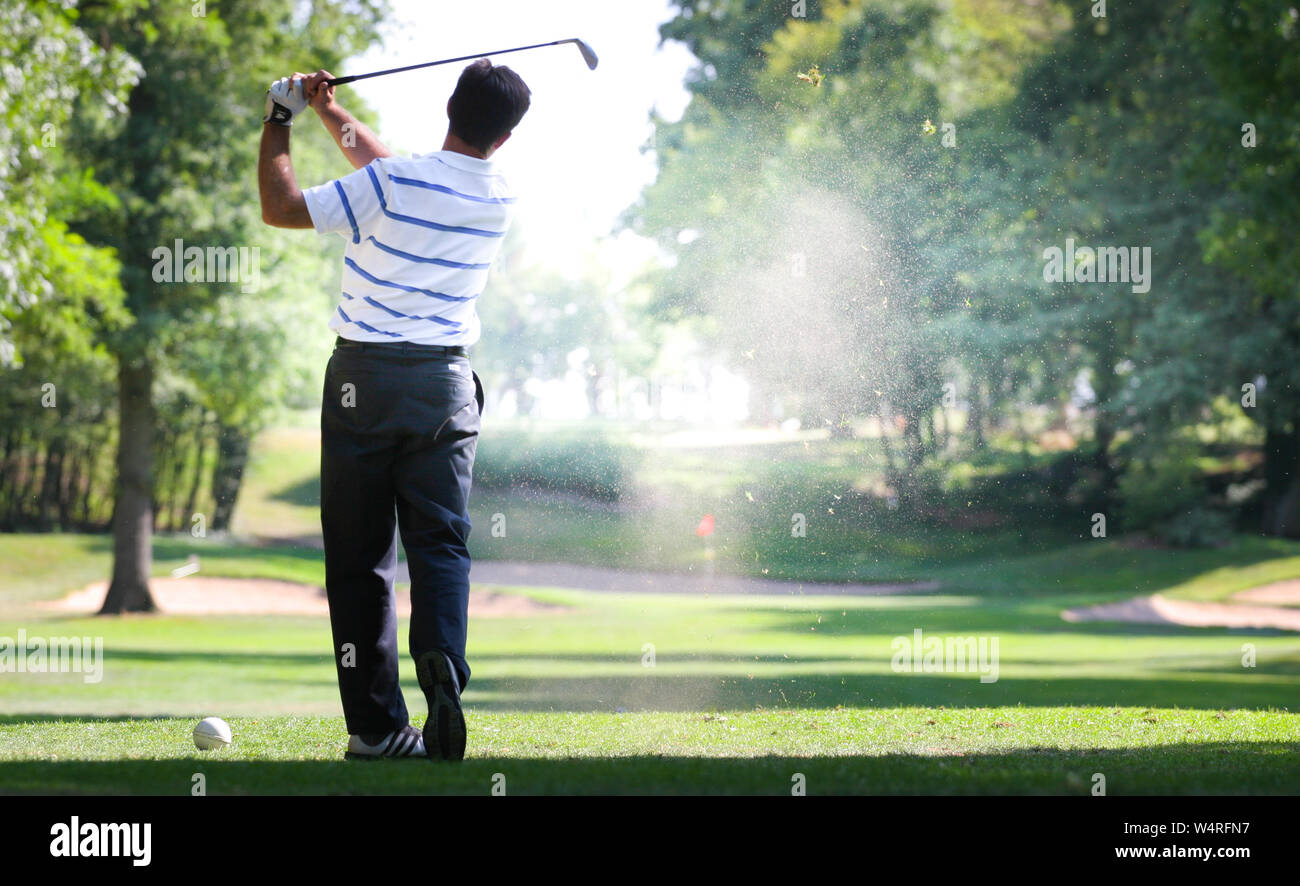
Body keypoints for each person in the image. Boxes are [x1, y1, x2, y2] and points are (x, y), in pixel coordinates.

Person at [257, 60, 530, 761]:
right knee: (440, 544)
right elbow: (400, 172)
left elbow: (282, 208)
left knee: (359, 560)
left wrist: (282, 119)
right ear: (505, 137)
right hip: (444, 385)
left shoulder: (394, 183)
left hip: (363, 382)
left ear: (449, 106)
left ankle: (378, 728)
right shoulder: (499, 194)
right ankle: (442, 658)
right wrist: (329, 112)